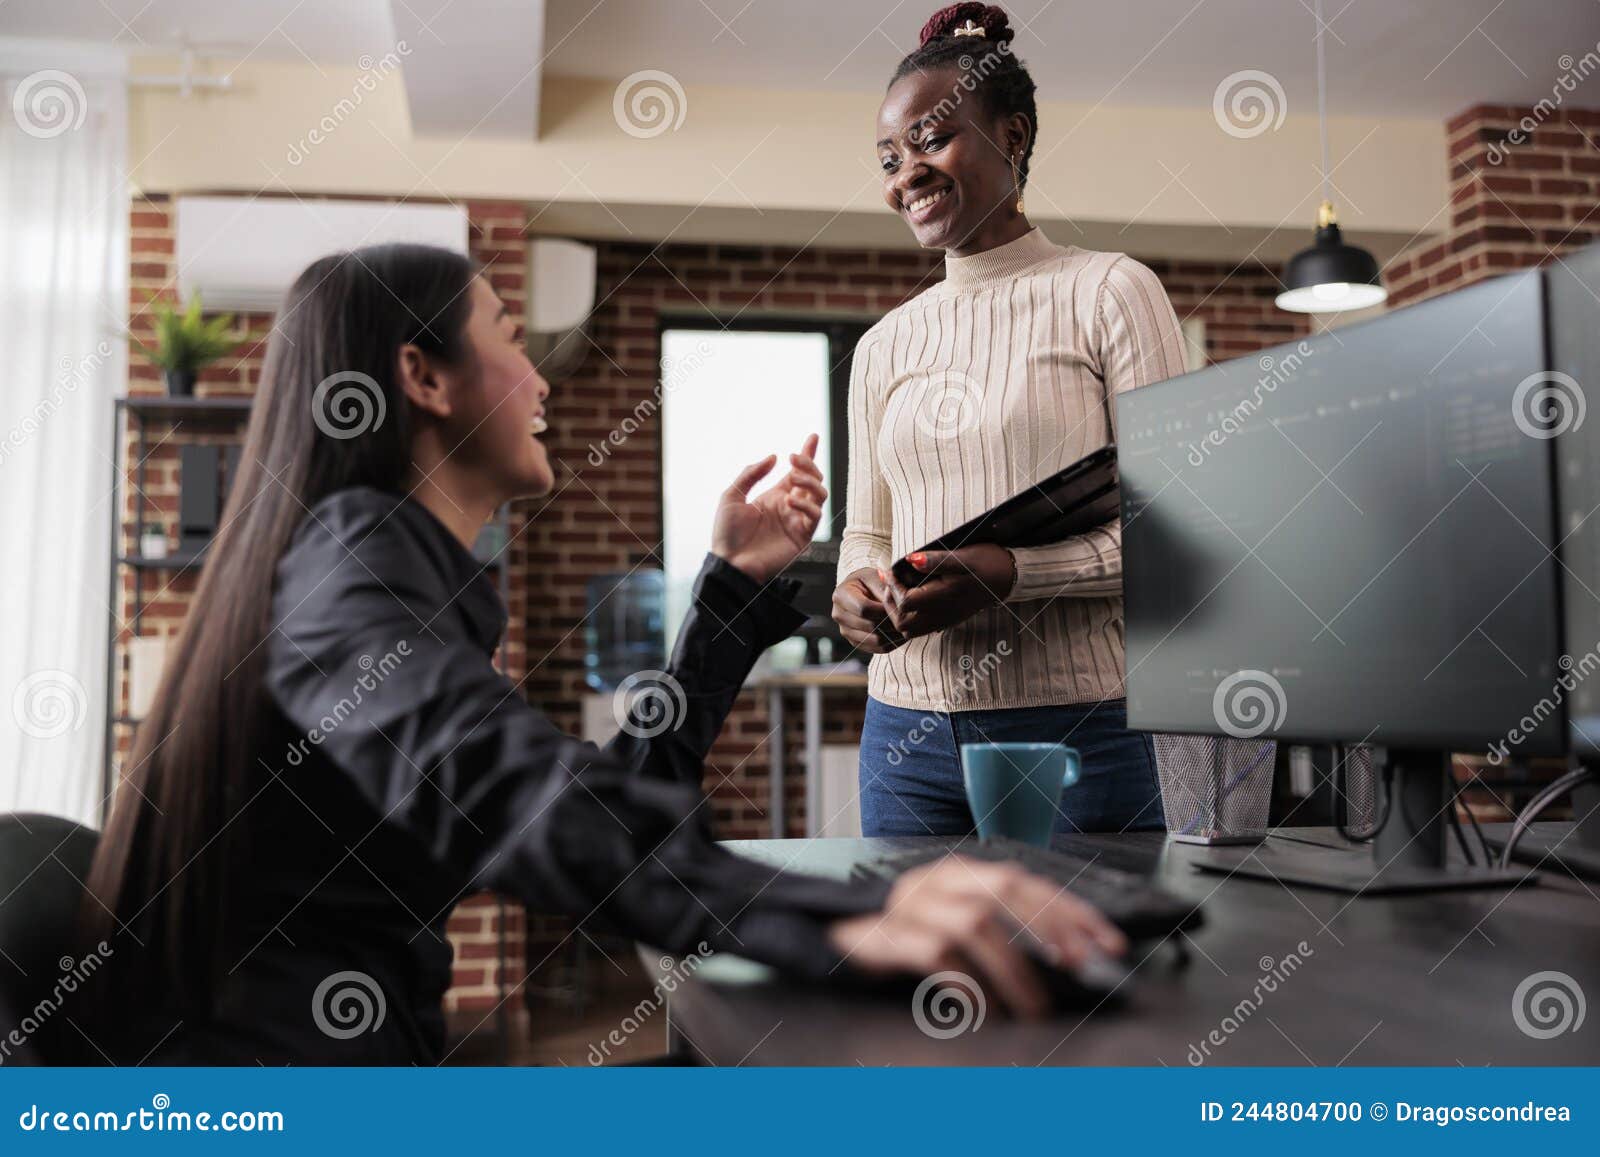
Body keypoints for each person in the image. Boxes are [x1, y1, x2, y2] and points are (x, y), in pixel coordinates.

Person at [74, 243, 1127, 1064]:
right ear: (423, 376)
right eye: (509, 337)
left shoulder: (383, 565)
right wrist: (838, 914)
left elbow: (586, 793)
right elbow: (502, 787)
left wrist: (730, 585)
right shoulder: (349, 555)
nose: (537, 379)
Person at [833, 3, 1188, 837]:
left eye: (930, 140)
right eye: (889, 156)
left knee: (1092, 971)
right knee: (924, 972)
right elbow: (865, 536)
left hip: (1080, 730)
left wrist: (1011, 572)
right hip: (904, 740)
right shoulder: (886, 344)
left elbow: (1172, 535)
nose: (904, 174)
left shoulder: (1111, 291)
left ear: (1014, 136)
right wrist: (854, 597)